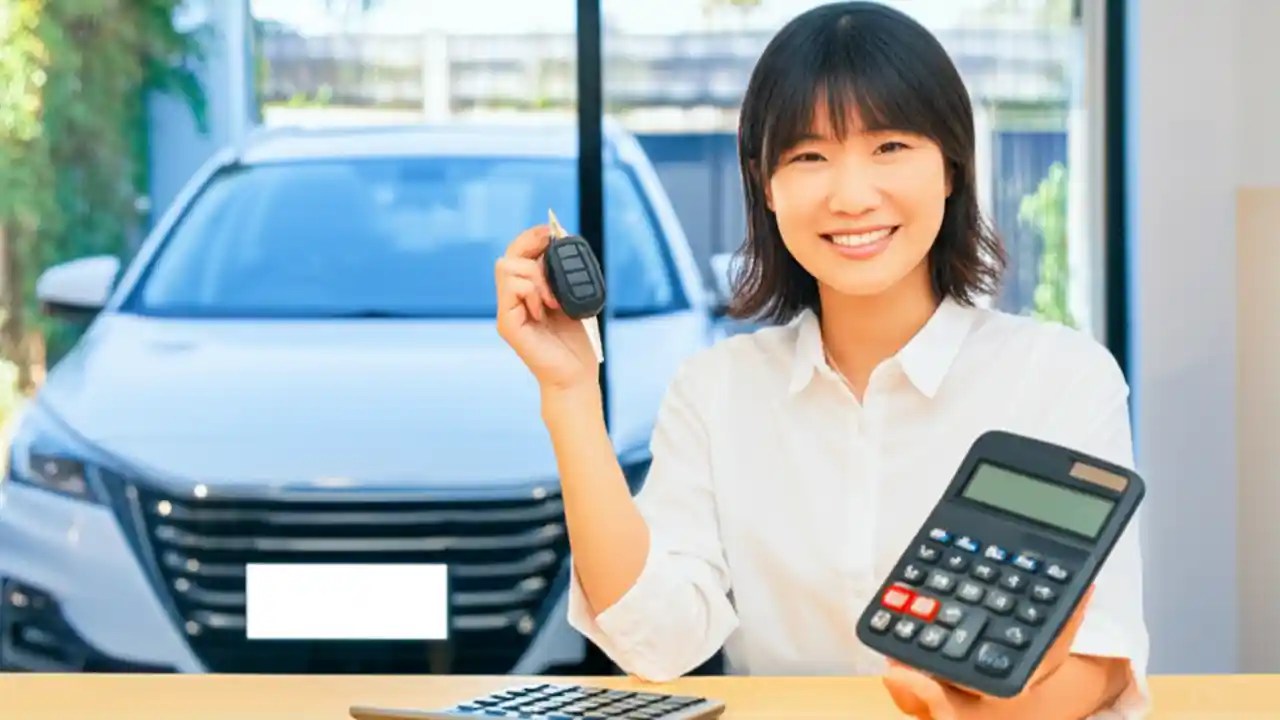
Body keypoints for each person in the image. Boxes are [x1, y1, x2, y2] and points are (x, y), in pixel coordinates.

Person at [494, 2, 1148, 718]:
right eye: (809, 156)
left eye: (890, 147)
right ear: (766, 186)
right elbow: (657, 640)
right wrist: (571, 395)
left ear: (952, 168)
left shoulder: (1057, 377)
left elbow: (1101, 661)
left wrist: (960, 716)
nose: (851, 195)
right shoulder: (718, 389)